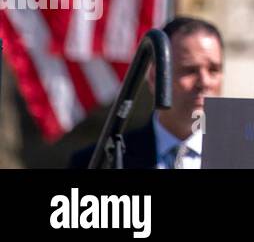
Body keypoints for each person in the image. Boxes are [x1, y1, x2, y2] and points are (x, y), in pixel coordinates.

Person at [68, 16, 224, 168]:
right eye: (189, 70)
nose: (204, 82)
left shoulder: (243, 157)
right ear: (154, 77)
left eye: (213, 70)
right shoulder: (99, 162)